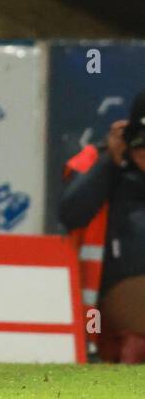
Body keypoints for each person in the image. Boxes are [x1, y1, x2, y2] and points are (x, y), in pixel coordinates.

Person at [60, 90, 145, 363]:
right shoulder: (101, 162)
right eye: (141, 144)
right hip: (115, 297)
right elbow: (72, 213)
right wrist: (111, 159)